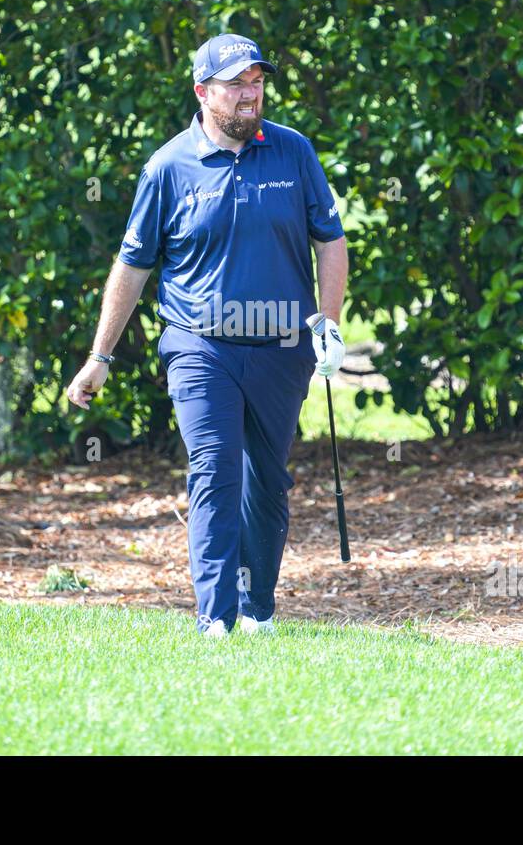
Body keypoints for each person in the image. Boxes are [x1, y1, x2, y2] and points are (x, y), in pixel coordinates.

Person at [66, 33, 348, 637]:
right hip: (200, 344)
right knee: (215, 466)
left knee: (267, 480)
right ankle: (214, 619)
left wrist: (328, 323)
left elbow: (331, 239)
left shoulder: (294, 153)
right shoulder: (168, 167)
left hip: (281, 349)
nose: (251, 96)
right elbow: (134, 265)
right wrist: (100, 357)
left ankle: (257, 609)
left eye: (257, 83)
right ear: (202, 92)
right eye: (236, 84)